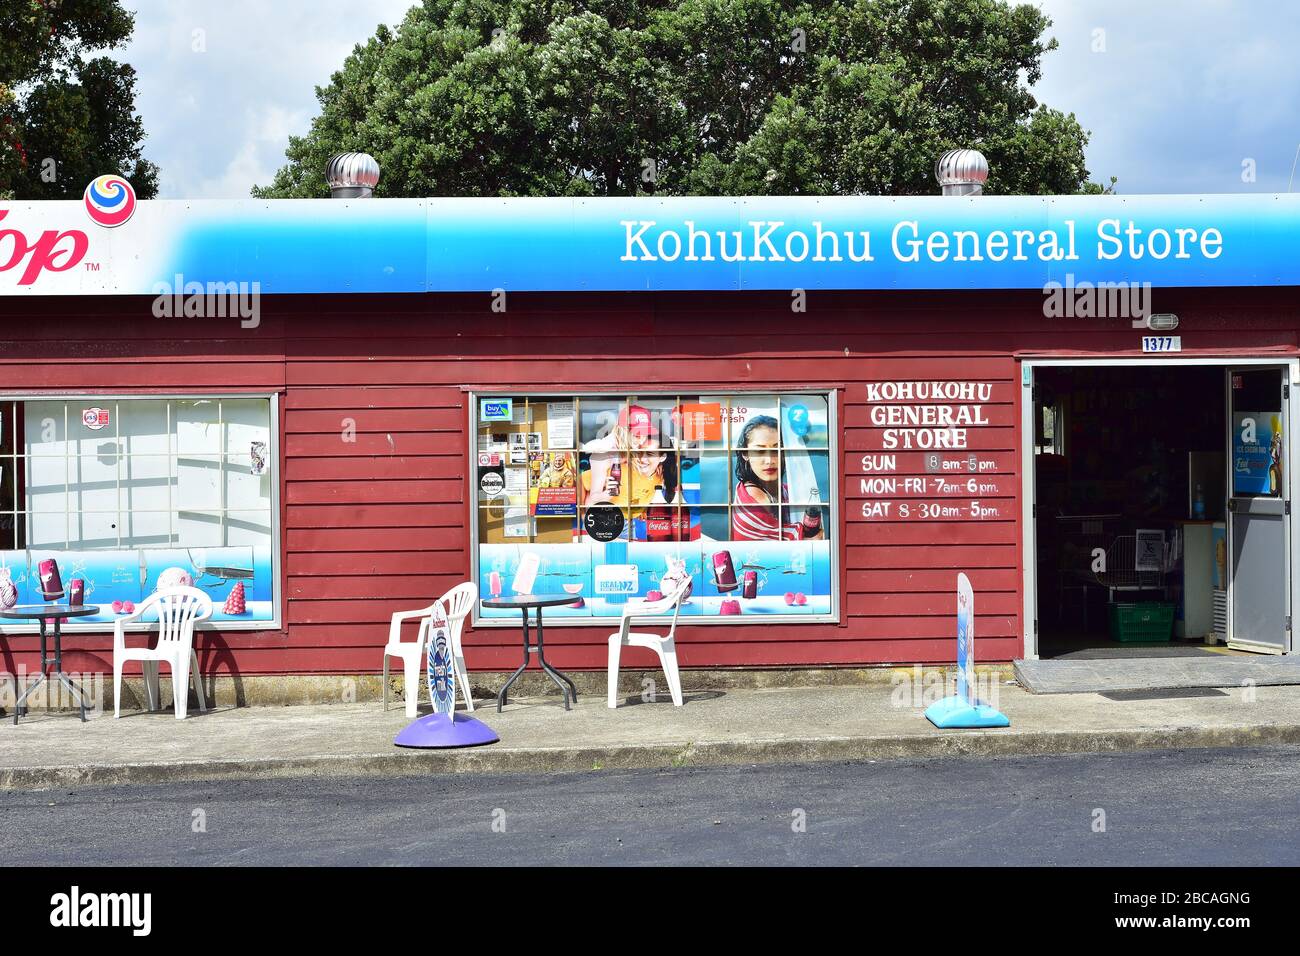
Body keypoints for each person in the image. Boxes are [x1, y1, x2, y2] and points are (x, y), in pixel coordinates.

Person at [731, 414, 824, 541]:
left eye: (777, 449)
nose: (769, 460)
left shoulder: (783, 489)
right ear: (745, 454)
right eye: (760, 451)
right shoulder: (754, 498)